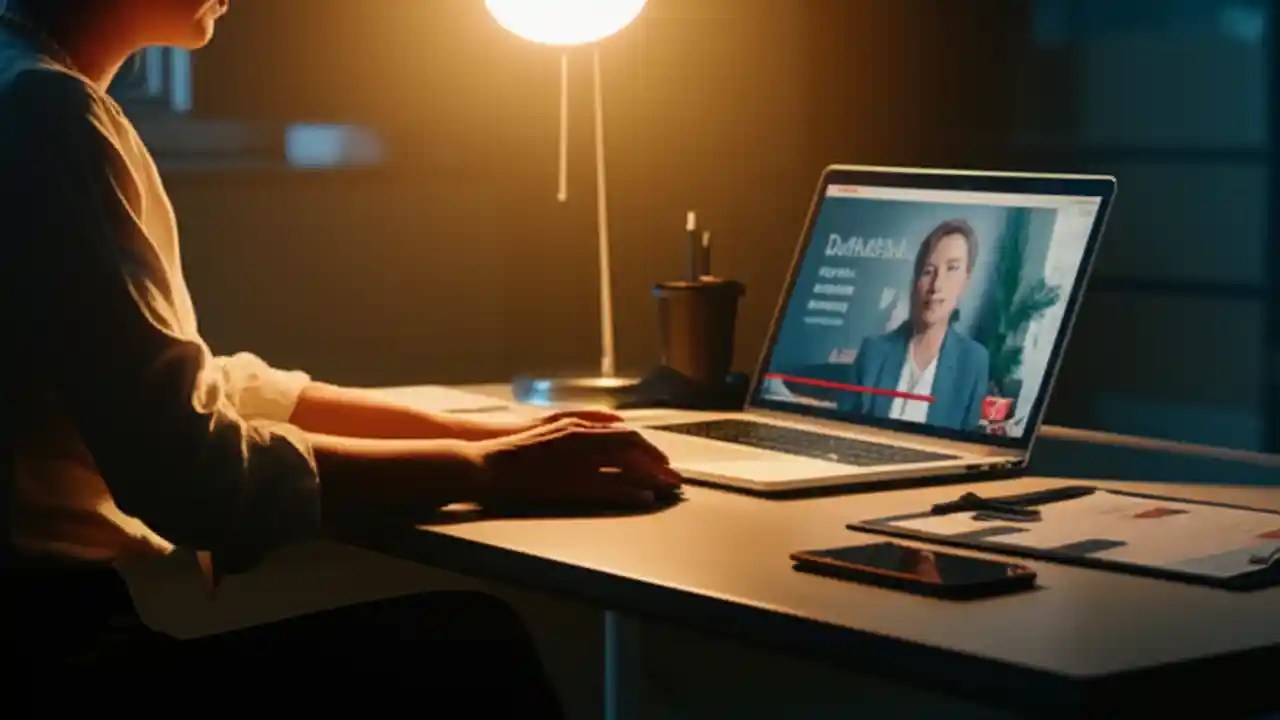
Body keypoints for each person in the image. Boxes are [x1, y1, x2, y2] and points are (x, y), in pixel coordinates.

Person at [0, 0, 681, 713]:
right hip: (58, 651)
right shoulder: (48, 113)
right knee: (467, 649)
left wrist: (499, 435)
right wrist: (485, 471)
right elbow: (188, 475)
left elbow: (203, 389)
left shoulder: (29, 89)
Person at [838, 219, 990, 431]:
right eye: (928, 271)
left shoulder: (974, 361)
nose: (936, 285)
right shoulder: (873, 350)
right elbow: (838, 430)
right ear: (916, 280)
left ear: (966, 279)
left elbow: (966, 446)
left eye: (952, 269)